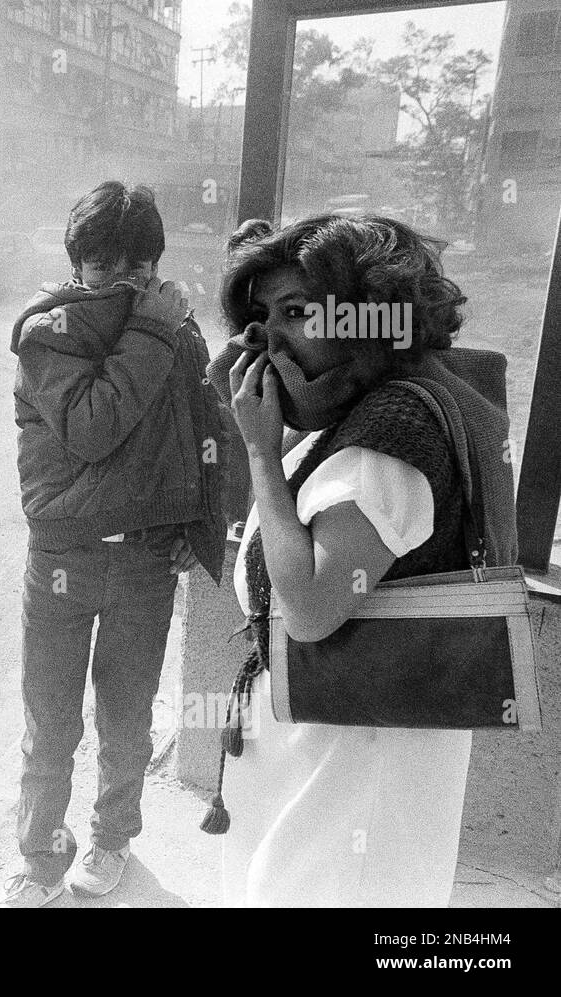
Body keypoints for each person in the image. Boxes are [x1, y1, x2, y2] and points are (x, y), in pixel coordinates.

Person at [204, 214, 518, 907]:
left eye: (295, 311)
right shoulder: (368, 406)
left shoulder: (392, 432)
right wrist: (271, 430)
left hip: (350, 772)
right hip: (327, 752)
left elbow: (311, 608)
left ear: (368, 317)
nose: (267, 337)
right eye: (260, 315)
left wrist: (259, 448)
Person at [3, 182, 228, 907]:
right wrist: (153, 332)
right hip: (63, 561)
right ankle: (41, 858)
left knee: (126, 716)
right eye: (102, 269)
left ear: (155, 265)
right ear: (76, 267)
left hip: (144, 561)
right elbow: (94, 427)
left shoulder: (180, 334)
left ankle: (111, 838)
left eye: (137, 270)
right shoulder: (49, 335)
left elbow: (207, 434)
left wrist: (197, 527)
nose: (121, 285)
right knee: (51, 720)